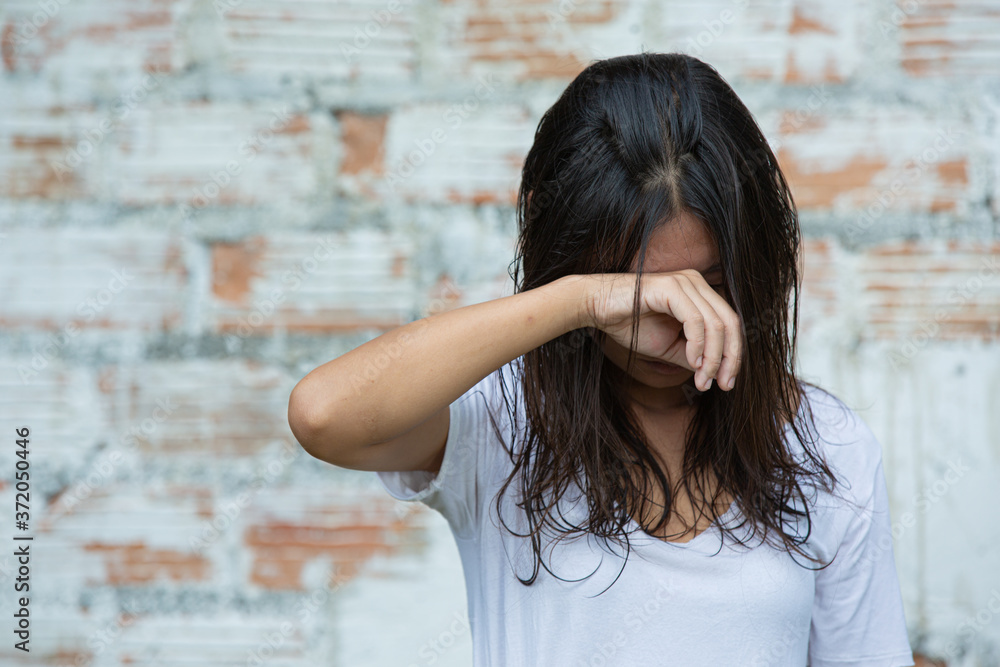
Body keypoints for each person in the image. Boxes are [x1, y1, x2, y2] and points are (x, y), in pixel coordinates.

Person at [288, 52, 915, 666]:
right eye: (641, 292)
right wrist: (584, 299)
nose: (675, 326)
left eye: (712, 285)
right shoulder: (498, 419)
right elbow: (322, 415)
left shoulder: (826, 445)